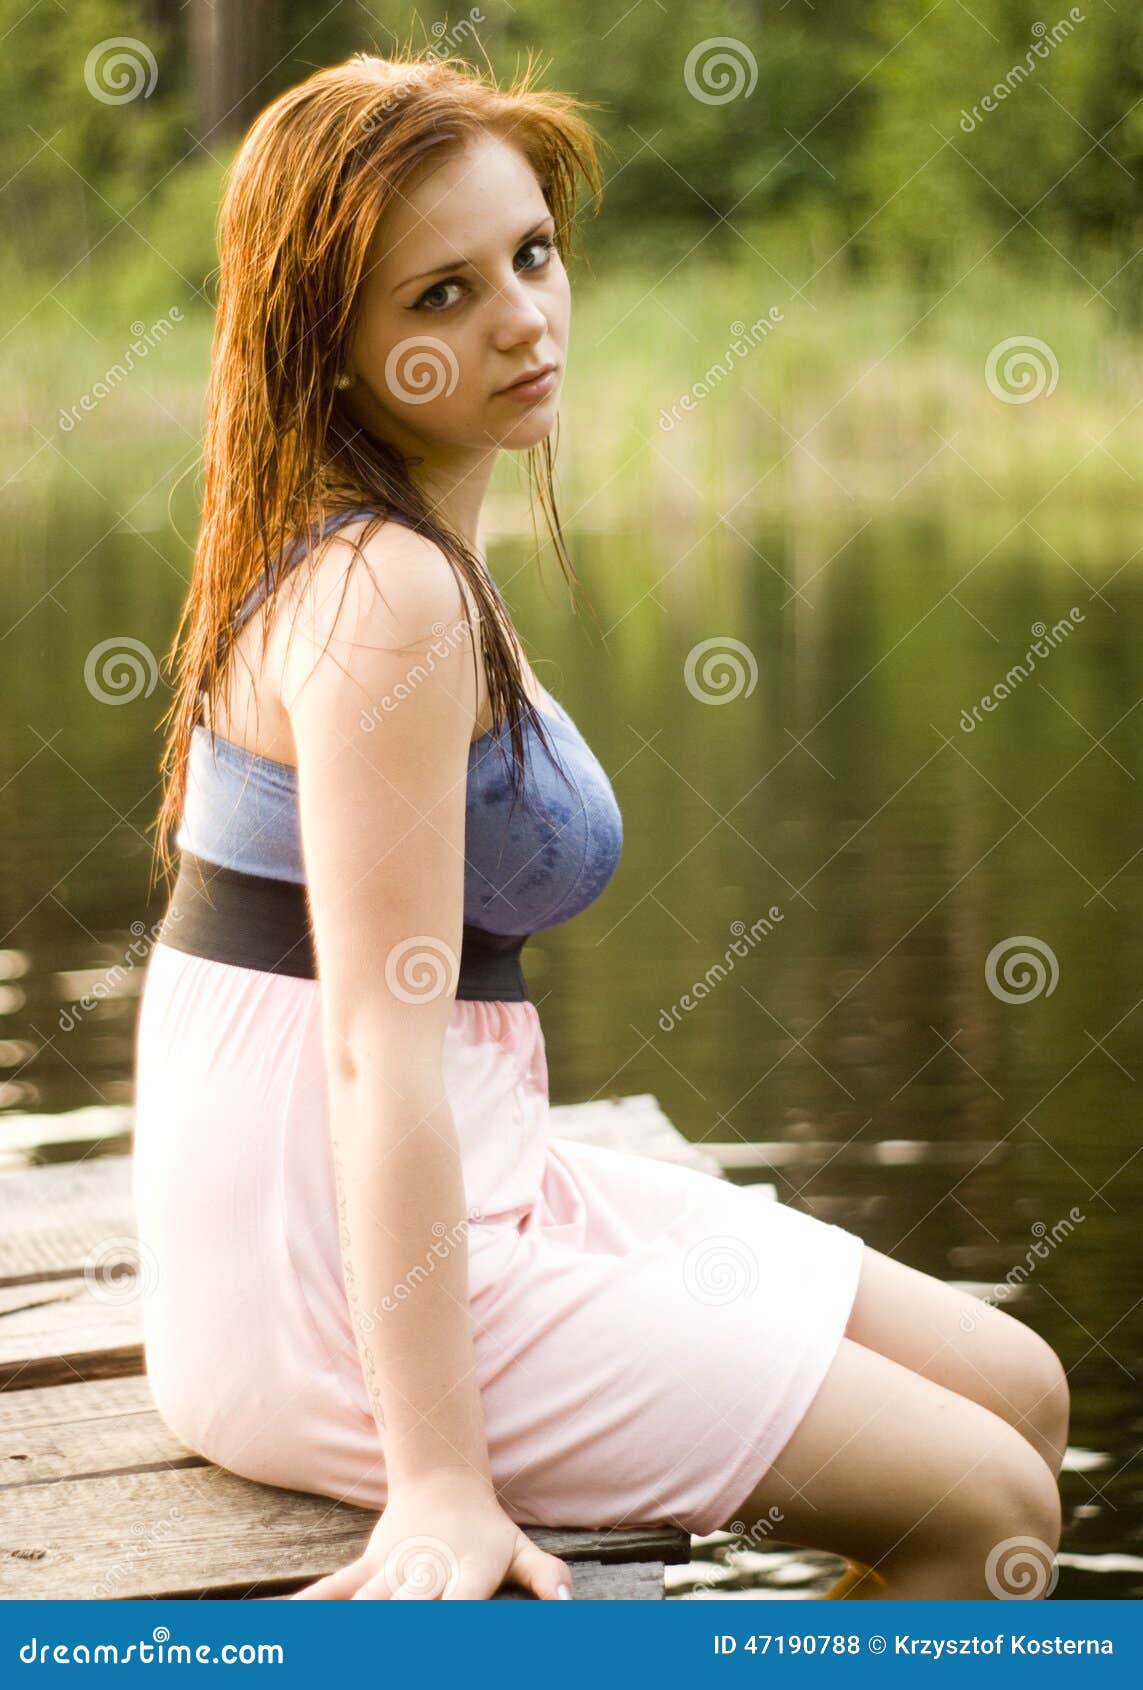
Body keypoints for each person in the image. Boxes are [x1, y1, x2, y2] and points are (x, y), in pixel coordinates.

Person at [133, 51, 1069, 1602]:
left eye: (532, 254)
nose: (519, 315)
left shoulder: (405, 546)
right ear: (330, 343)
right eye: (437, 296)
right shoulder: (386, 597)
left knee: (1023, 1389)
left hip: (465, 1192)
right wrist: (441, 1481)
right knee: (988, 1508)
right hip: (319, 1282)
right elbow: (375, 1043)